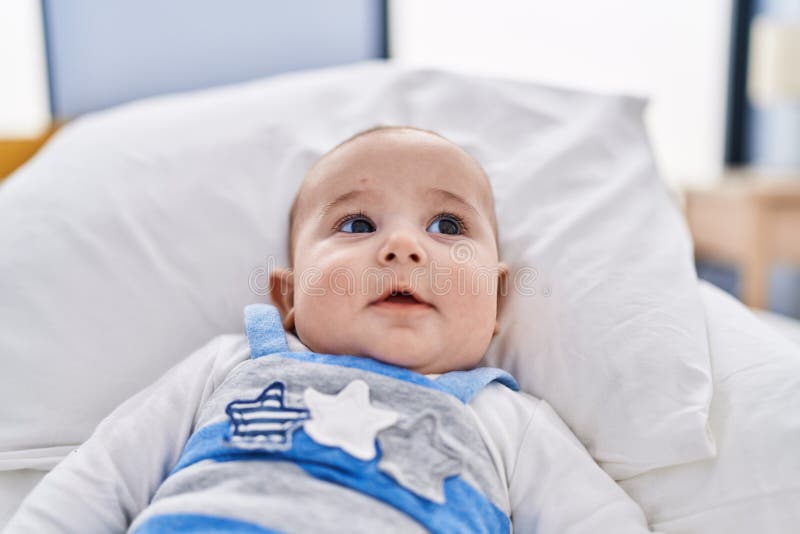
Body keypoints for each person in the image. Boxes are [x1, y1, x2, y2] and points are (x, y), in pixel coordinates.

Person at [7, 126, 655, 533]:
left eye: (447, 227)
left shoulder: (504, 421)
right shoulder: (231, 366)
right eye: (356, 225)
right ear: (288, 297)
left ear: (495, 300)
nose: (403, 246)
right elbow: (100, 479)